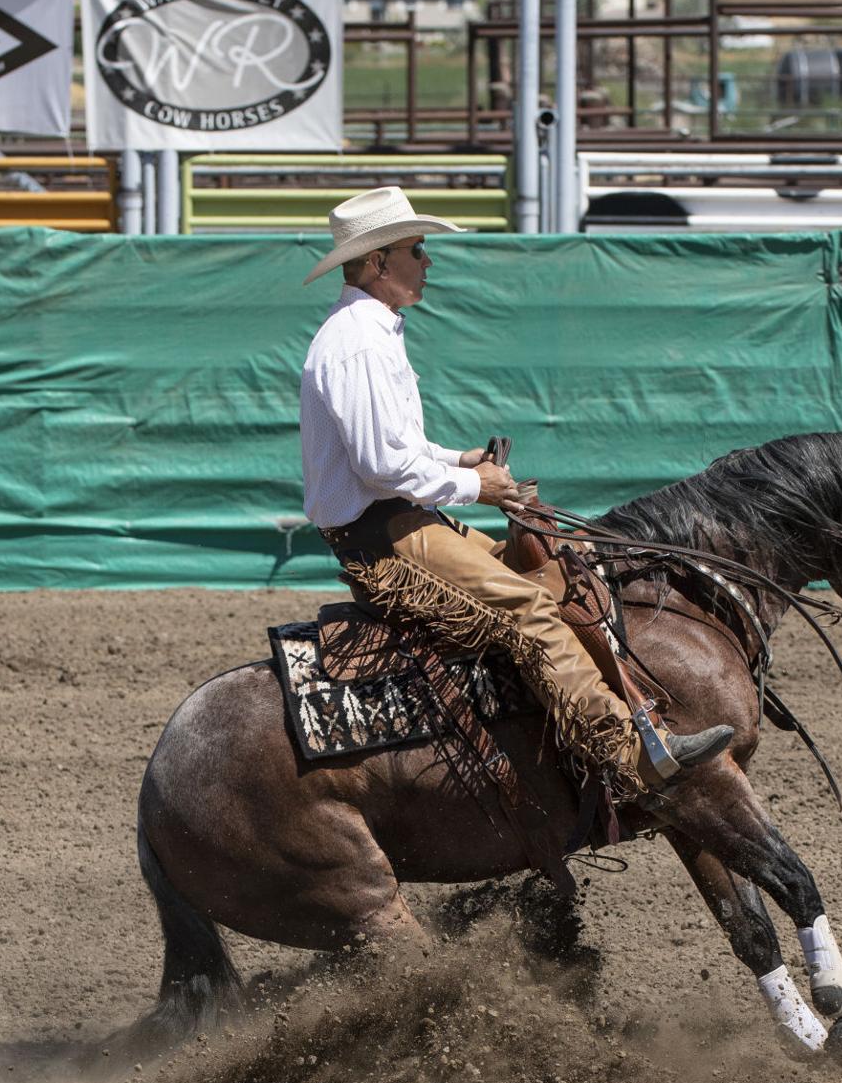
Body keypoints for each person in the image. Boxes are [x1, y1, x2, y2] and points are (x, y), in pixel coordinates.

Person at [299, 186, 732, 798]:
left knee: (551, 571)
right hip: (387, 537)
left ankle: (551, 745)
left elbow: (392, 450)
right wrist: (478, 485)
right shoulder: (360, 342)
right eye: (417, 250)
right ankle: (634, 755)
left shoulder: (368, 332)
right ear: (377, 263)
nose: (429, 262)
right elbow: (379, 467)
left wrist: (456, 459)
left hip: (400, 523)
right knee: (527, 608)